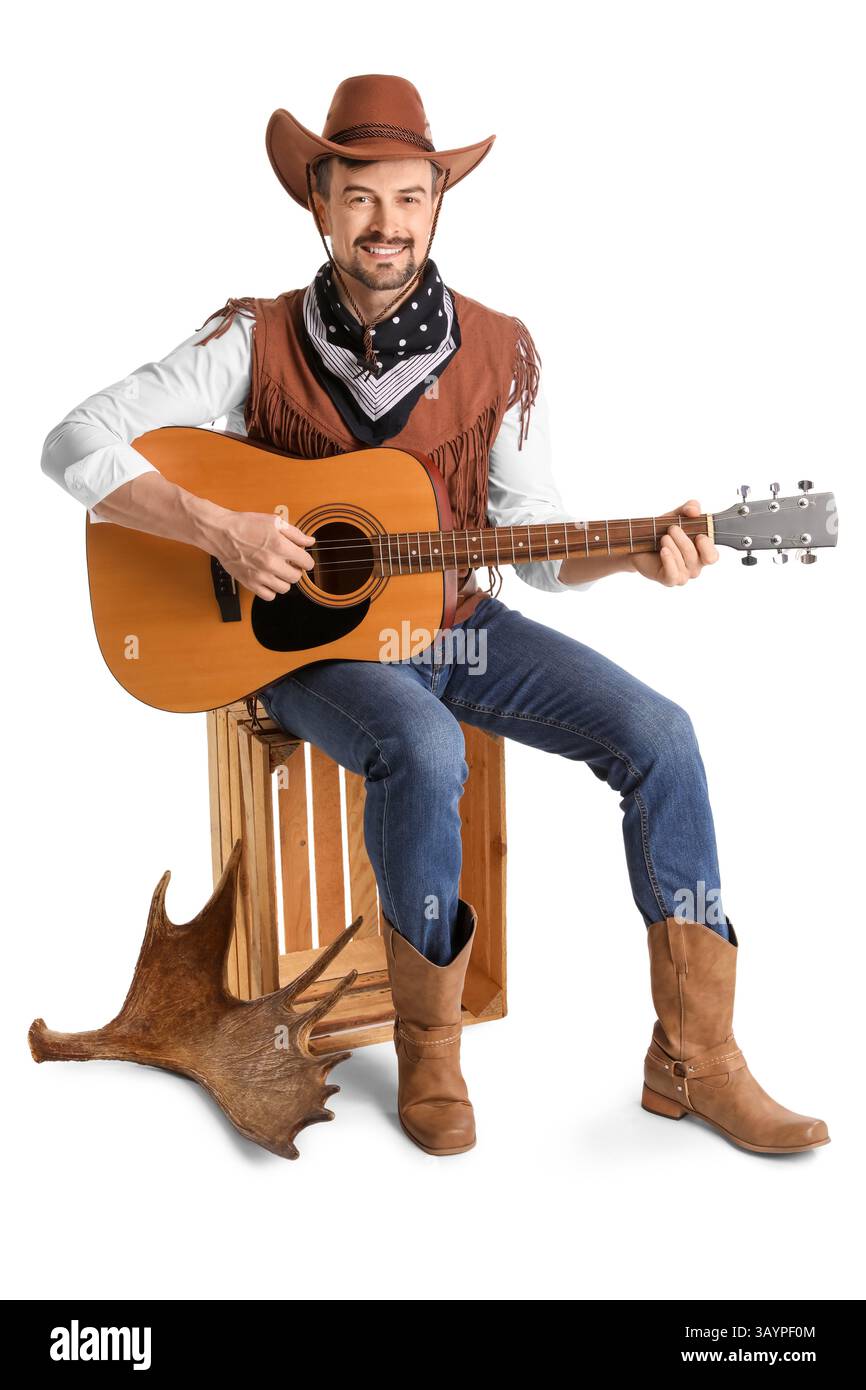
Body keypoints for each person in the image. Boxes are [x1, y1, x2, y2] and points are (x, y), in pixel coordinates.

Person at [41, 75, 829, 1159]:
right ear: (319, 205)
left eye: (410, 198)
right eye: (361, 198)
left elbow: (538, 545)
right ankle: (431, 1046)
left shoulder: (498, 351)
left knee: (662, 736)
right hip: (305, 648)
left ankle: (695, 1060)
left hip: (455, 627)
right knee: (416, 742)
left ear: (436, 206)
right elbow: (73, 443)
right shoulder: (252, 338)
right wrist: (216, 528)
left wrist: (634, 557)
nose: (386, 224)